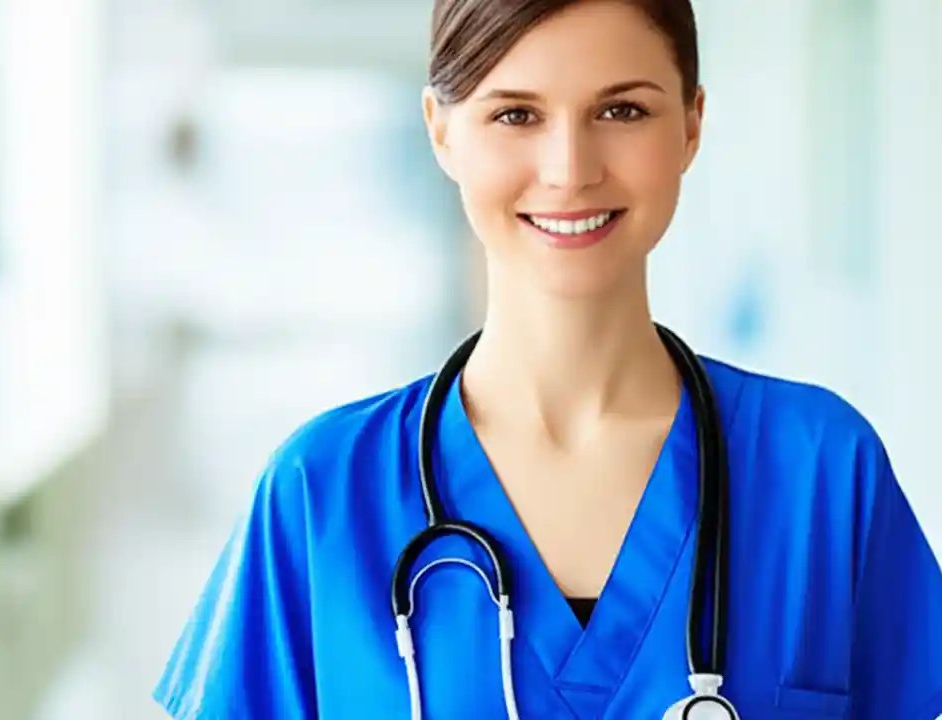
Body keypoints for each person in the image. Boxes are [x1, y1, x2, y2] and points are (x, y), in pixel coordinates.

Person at [152, 0, 942, 717]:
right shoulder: (320, 495)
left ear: (692, 125)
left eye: (622, 109)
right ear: (440, 129)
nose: (570, 167)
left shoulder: (822, 471)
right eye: (517, 114)